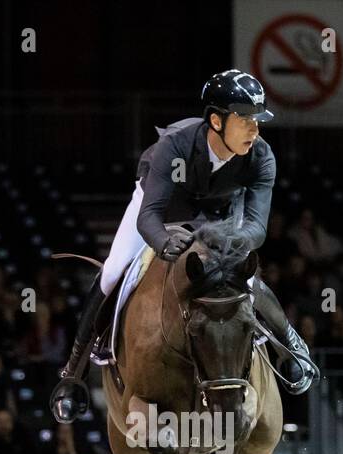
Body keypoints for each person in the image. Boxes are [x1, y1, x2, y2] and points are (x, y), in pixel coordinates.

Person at [49, 69, 316, 423]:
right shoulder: (174, 146)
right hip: (162, 204)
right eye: (246, 120)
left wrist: (234, 246)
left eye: (258, 121)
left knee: (242, 277)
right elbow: (150, 217)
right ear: (217, 121)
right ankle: (73, 372)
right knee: (114, 269)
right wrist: (162, 242)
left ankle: (292, 347)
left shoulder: (261, 156)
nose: (255, 129)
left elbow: (256, 227)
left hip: (217, 210)